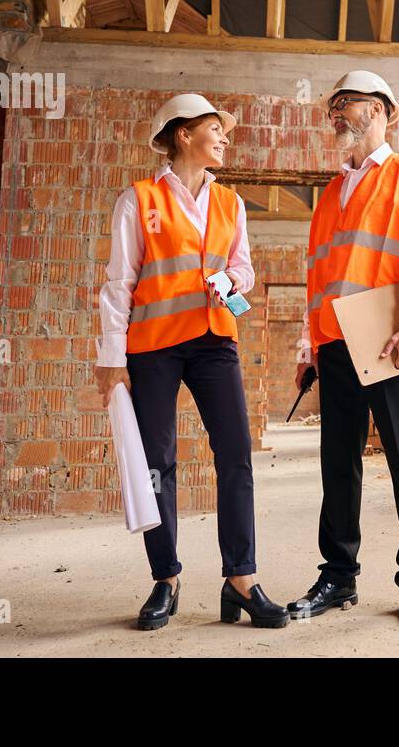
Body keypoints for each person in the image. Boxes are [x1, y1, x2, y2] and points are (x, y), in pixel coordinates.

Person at [93, 93, 289, 630]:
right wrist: (112, 359)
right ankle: (166, 579)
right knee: (158, 463)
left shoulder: (230, 203)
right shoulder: (138, 200)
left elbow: (244, 270)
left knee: (236, 454)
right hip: (153, 345)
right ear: (184, 135)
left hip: (214, 339)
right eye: (214, 129)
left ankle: (241, 580)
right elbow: (119, 284)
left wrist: (230, 280)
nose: (224, 138)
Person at [287, 70, 399, 627]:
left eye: (345, 105)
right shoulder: (331, 193)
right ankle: (338, 576)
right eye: (332, 109)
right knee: (338, 465)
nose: (335, 116)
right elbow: (319, 277)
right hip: (335, 343)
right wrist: (309, 344)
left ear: (377, 110)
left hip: (388, 341)